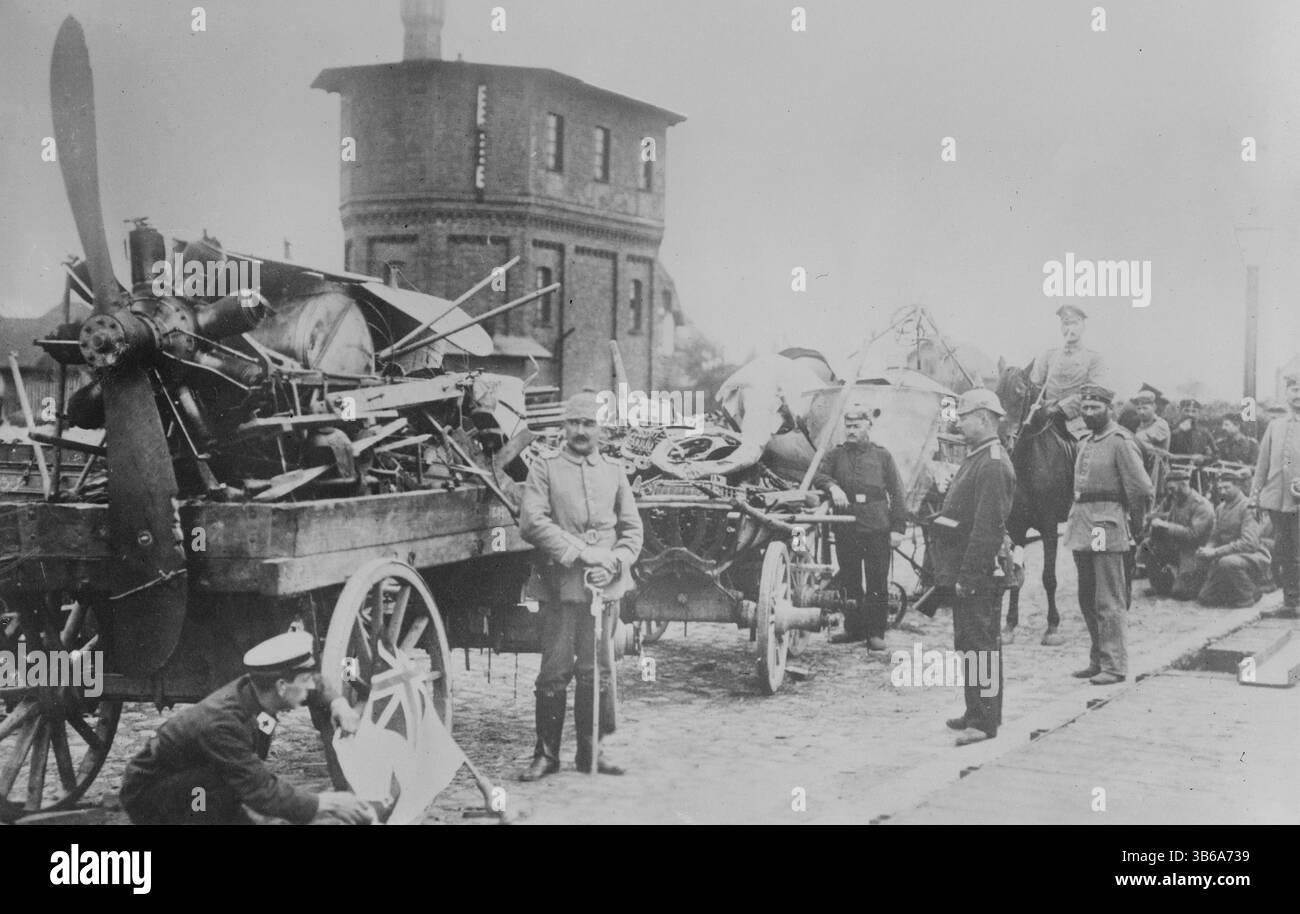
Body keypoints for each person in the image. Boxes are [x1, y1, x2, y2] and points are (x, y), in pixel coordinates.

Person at [119, 631, 376, 825]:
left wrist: (338, 703)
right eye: (305, 681)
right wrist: (326, 803)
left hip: (200, 780)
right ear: (282, 687)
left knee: (227, 786)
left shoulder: (261, 689)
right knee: (230, 788)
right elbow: (261, 789)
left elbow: (316, 683)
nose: (311, 687)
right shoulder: (222, 724)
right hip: (153, 796)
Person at [518, 390, 644, 779]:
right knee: (554, 671)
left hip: (603, 590)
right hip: (559, 587)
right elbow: (532, 523)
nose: (580, 431)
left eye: (588, 423)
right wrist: (581, 553)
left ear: (600, 428)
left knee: (597, 670)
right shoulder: (545, 467)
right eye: (573, 423)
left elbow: (632, 531)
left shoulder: (614, 471)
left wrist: (616, 562)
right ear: (563, 426)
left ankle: (593, 751)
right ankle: (546, 754)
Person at [930, 389, 1015, 746]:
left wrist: (970, 575)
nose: (959, 423)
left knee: (982, 644)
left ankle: (985, 721)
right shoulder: (980, 456)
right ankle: (976, 709)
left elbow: (988, 527)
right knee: (969, 643)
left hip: (980, 571)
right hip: (967, 567)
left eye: (963, 417)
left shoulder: (992, 462)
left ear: (983, 418)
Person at [1065, 385, 1153, 685]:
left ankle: (1114, 665)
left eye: (1095, 408)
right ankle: (1098, 659)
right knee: (1087, 596)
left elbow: (1140, 487)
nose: (1089, 413)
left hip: (1105, 526)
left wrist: (1137, 526)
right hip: (1082, 525)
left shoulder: (1120, 441)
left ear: (1109, 409)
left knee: (1107, 596)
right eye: (1085, 408)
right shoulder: (1084, 441)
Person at [814, 407, 908, 649]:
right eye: (848, 426)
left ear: (868, 426)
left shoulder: (882, 456)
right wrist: (833, 487)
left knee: (877, 582)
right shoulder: (836, 455)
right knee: (850, 580)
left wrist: (898, 528)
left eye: (857, 426)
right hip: (846, 526)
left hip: (877, 526)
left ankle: (876, 633)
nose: (851, 431)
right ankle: (853, 629)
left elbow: (898, 492)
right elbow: (819, 476)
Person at [1250, 372, 1300, 618]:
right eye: (1294, 390)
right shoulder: (1275, 426)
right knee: (1283, 552)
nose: (1298, 395)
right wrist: (1254, 498)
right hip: (1277, 501)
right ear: (1287, 394)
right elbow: (1262, 465)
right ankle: (1291, 603)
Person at [1027, 304, 1108, 440]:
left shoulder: (1094, 358)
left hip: (1079, 424)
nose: (1070, 328)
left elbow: (1092, 392)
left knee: (1084, 454)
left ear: (1083, 326)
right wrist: (1042, 407)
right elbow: (1035, 385)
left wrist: (1061, 408)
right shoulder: (1048, 355)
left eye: (1075, 323)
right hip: (1045, 420)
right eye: (1065, 324)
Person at [1193, 470, 1270, 607]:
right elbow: (1215, 536)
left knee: (1227, 562)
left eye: (1226, 487)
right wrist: (1208, 548)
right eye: (1220, 488)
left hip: (1253, 556)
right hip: (1229, 555)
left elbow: (1249, 543)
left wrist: (1216, 552)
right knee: (1205, 598)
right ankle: (1231, 589)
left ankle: (1250, 593)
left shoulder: (1249, 507)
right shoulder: (1221, 508)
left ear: (1238, 486)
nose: (1222, 491)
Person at [1137, 466, 1214, 599]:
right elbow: (1170, 520)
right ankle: (1161, 586)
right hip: (1178, 549)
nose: (1170, 492)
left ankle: (1199, 583)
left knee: (1182, 593)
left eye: (1172, 489)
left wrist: (1165, 525)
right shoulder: (1177, 501)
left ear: (1184, 484)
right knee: (1147, 545)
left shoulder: (1201, 505)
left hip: (1194, 553)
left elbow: (1193, 536)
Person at [1131, 388, 1171, 495]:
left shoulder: (1161, 424)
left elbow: (1138, 439)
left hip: (1158, 474)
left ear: (1154, 407)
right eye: (1138, 408)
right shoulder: (1140, 425)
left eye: (1145, 408)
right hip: (1143, 470)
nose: (1141, 412)